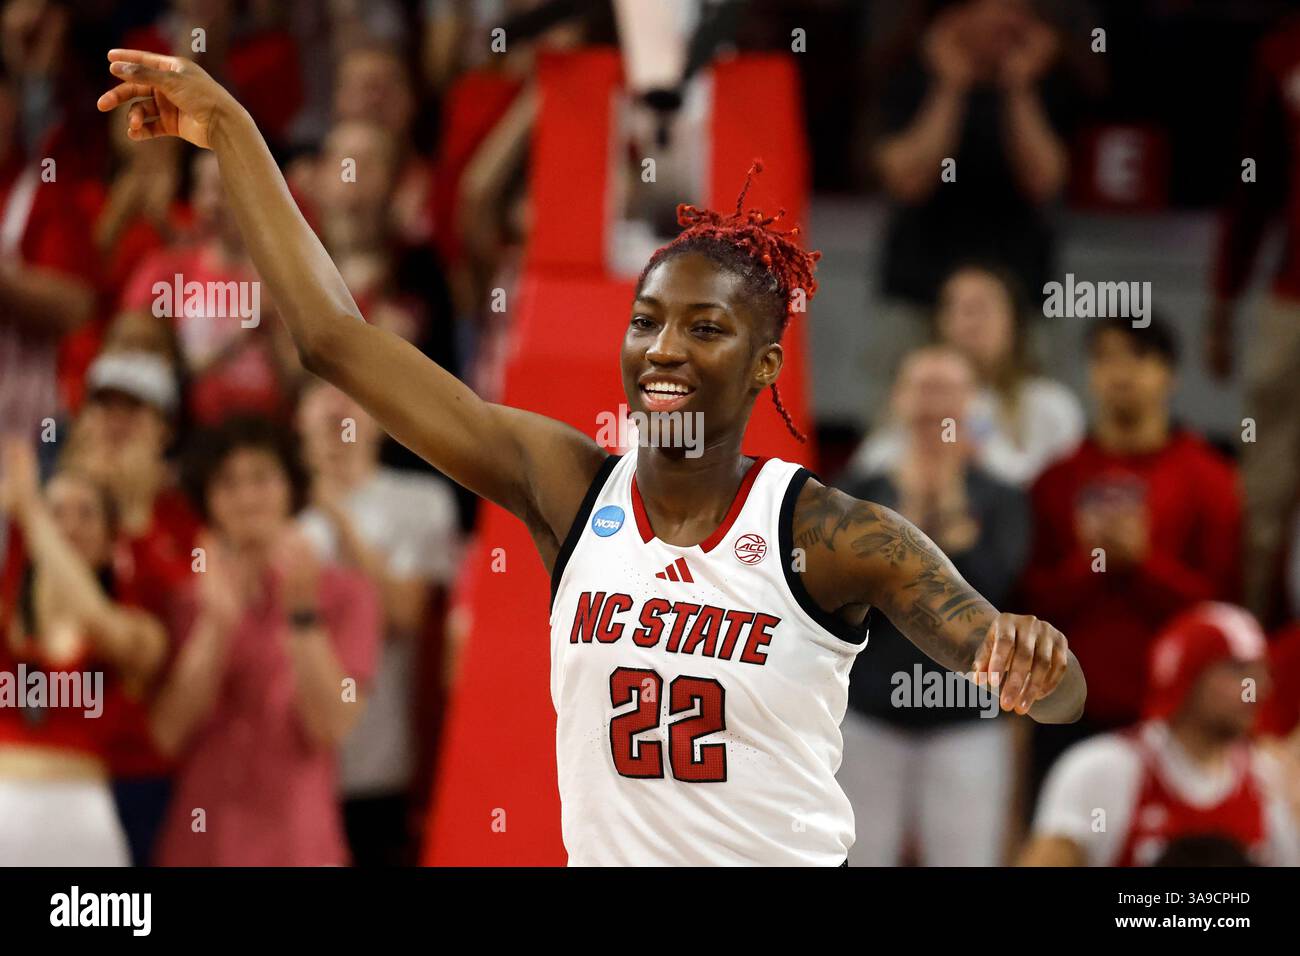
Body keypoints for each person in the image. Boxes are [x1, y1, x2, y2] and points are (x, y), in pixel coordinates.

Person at [97, 50, 1086, 867]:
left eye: (705, 328)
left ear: (762, 364)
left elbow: (1048, 686)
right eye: (648, 320)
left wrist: (1035, 655)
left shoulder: (831, 532)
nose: (664, 348)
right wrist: (230, 128)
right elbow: (331, 339)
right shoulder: (567, 484)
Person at [1020, 316, 1241, 792]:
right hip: (1067, 713)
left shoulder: (1210, 480)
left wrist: (1140, 564)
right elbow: (1028, 604)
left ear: (1170, 374)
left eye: (1138, 357)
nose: (1120, 372)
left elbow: (1222, 612)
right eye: (1104, 358)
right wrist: (1091, 565)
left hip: (1176, 719)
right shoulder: (1056, 479)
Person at [150, 416, 380, 866]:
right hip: (200, 843)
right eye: (228, 482)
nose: (246, 497)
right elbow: (167, 734)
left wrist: (301, 616)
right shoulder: (184, 601)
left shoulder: (348, 594)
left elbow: (330, 725)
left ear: (290, 488)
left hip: (299, 844)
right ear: (208, 499)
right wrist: (215, 627)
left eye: (261, 477)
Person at [836, 346, 1029, 866]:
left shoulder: (1003, 500)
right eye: (923, 388)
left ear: (971, 404)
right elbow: (848, 601)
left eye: (947, 390)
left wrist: (947, 506)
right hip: (869, 716)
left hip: (967, 720)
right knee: (857, 855)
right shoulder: (860, 494)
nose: (933, 404)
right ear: (899, 399)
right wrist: (912, 512)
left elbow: (992, 603)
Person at [296, 379, 460, 866]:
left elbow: (402, 614)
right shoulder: (266, 502)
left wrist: (338, 520)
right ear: (296, 418)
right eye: (320, 390)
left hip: (380, 763)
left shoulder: (421, 501)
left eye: (350, 388)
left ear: (381, 420)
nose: (336, 403)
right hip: (285, 769)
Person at [1020, 603, 1299, 867]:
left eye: (1261, 671)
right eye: (1238, 670)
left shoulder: (1270, 778)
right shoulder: (1104, 768)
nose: (1257, 688)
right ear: (1186, 674)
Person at [0, 440, 168, 866]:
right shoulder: (5, 617)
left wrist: (34, 515)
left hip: (81, 819)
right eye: (57, 511)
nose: (69, 527)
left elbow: (94, 620)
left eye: (86, 513)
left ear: (113, 540)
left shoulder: (137, 627)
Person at [1205, 14, 1300, 626]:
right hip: (1292, 301)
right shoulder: (1283, 51)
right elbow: (1255, 181)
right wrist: (1223, 298)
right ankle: (1250, 648)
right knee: (1262, 495)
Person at [849, 262, 1083, 487]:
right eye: (957, 309)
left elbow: (1054, 492)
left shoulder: (1051, 403)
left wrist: (978, 439)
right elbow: (864, 475)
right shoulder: (921, 398)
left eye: (981, 308)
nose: (969, 322)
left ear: (1013, 321)